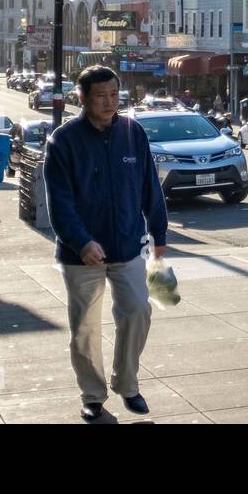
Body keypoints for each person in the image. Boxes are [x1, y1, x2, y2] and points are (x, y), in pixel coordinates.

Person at [44, 65, 167, 422]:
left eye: (114, 94)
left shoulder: (133, 132)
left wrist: (159, 235)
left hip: (127, 245)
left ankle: (127, 384)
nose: (110, 102)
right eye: (101, 95)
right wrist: (82, 242)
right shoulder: (64, 141)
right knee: (85, 327)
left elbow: (150, 189)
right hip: (81, 255)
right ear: (82, 98)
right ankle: (93, 395)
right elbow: (59, 202)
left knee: (138, 311)